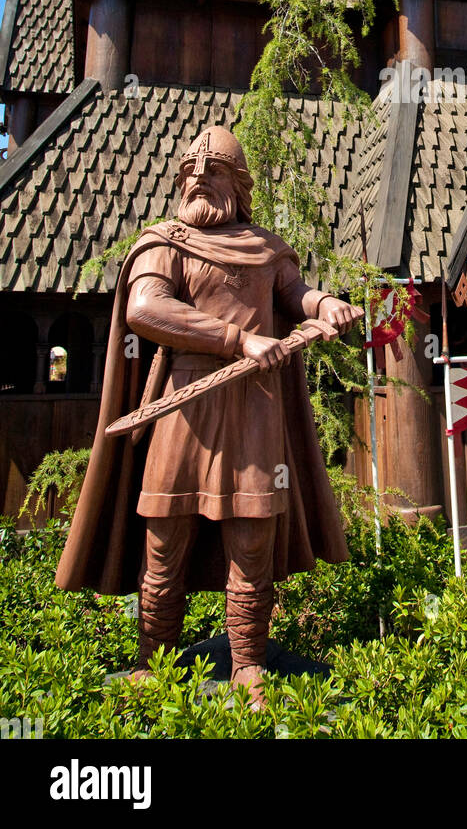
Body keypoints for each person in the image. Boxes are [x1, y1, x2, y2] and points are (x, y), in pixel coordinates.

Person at [56, 125, 359, 705]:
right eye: (190, 168)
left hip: (256, 413)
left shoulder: (269, 250)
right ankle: (153, 662)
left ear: (238, 183)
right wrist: (238, 340)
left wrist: (327, 304)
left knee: (252, 544)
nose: (198, 176)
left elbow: (296, 295)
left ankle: (248, 665)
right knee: (163, 540)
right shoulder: (164, 242)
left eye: (213, 167)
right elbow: (147, 309)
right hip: (184, 407)